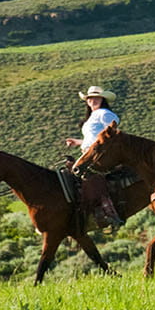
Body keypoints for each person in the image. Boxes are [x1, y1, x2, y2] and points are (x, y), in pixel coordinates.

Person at [64, 85, 122, 226]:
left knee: (90, 175)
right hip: (89, 151)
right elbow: (92, 137)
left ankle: (107, 212)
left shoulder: (104, 113)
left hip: (99, 152)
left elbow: (112, 131)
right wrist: (78, 142)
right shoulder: (92, 117)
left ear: (102, 99)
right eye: (90, 98)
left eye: (96, 98)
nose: (92, 101)